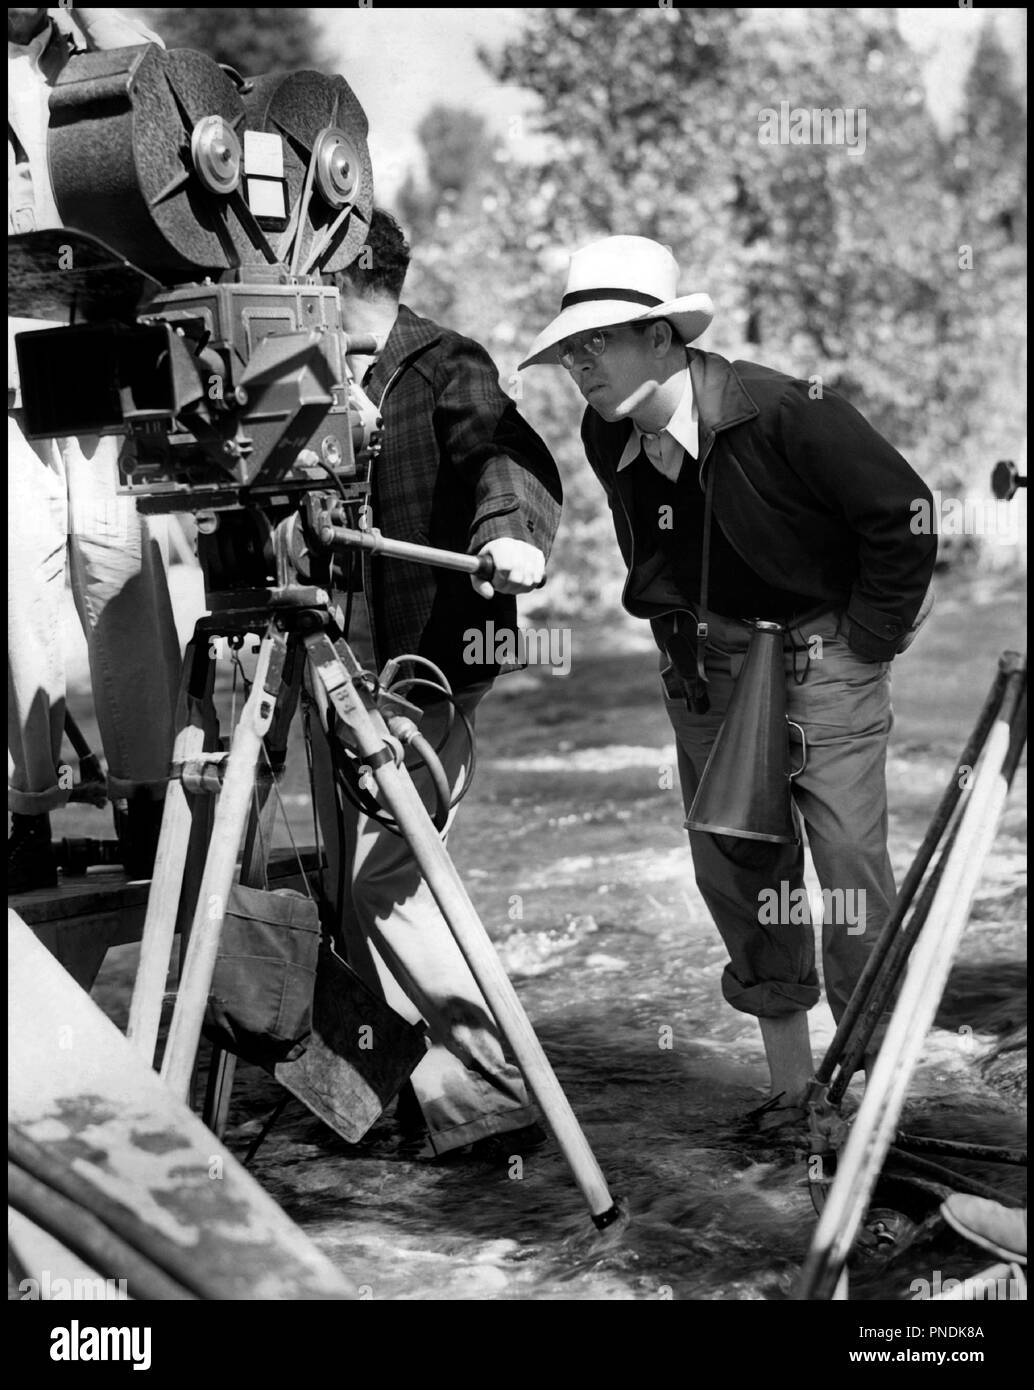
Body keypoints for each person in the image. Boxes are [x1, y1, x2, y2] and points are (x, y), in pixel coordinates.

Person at [519, 235, 937, 1134]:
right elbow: (658, 553)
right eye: (570, 348)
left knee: (849, 867)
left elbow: (908, 518)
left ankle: (871, 1094)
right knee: (739, 870)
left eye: (600, 342)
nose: (578, 363)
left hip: (827, 657)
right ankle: (791, 1093)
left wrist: (869, 641)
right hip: (708, 671)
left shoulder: (791, 412)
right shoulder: (606, 429)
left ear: (665, 340)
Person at [316, 208, 563, 1158]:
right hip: (338, 671)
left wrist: (509, 533)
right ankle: (414, 1104)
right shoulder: (308, 367)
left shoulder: (446, 362)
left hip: (423, 675)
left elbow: (510, 453)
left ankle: (495, 1101)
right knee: (357, 886)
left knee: (384, 885)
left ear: (340, 273)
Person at [8, 7, 180, 892]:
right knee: (17, 594)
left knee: (122, 576)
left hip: (104, 346)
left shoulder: (98, 49)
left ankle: (148, 797)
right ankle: (27, 810)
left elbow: (170, 96)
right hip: (7, 357)